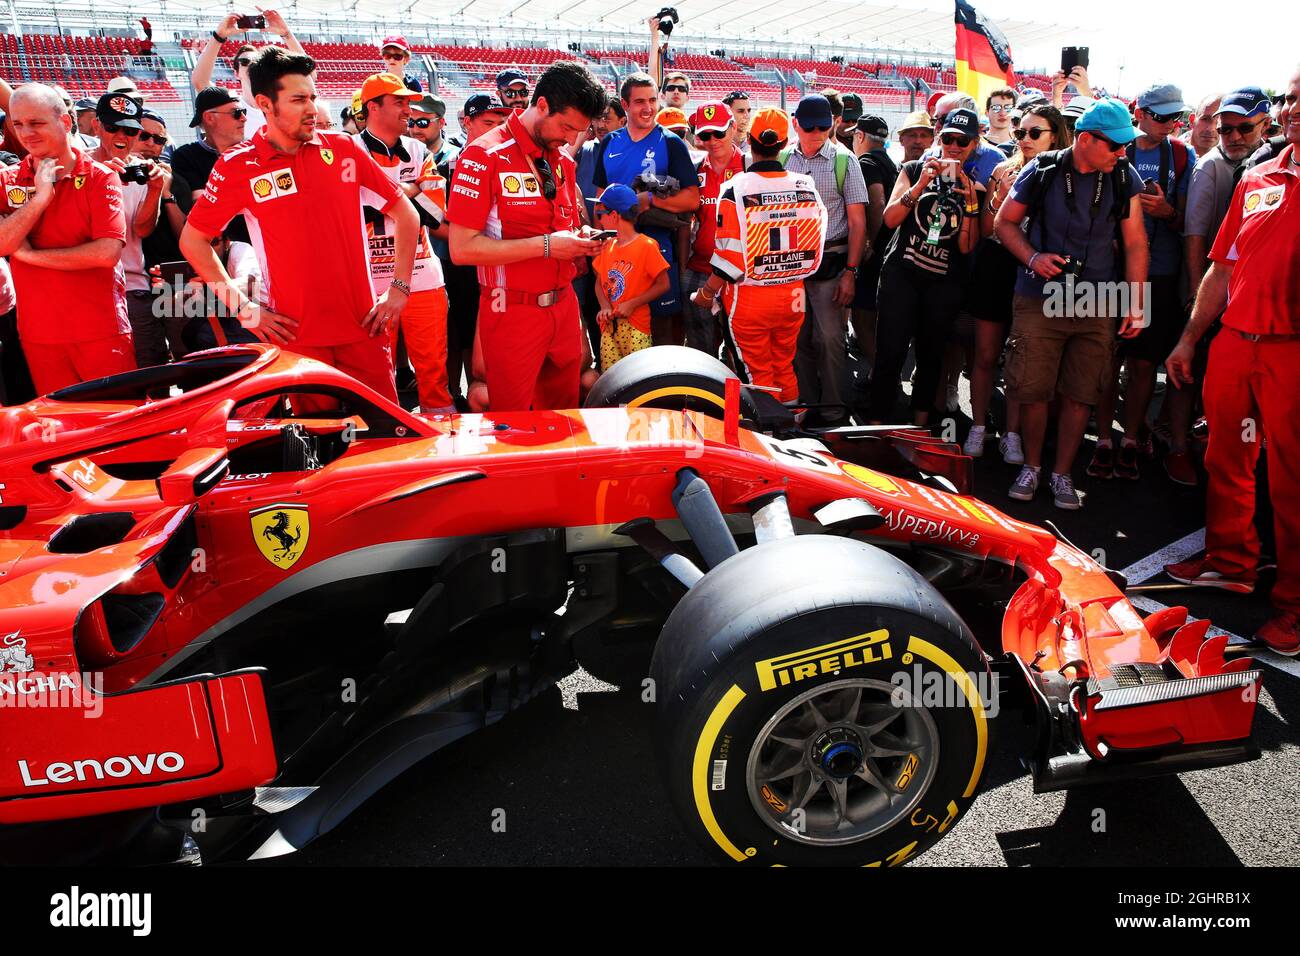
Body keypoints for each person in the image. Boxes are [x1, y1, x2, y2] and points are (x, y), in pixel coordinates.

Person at [181, 46, 417, 404]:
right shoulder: (237, 166)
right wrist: (245, 308)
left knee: (381, 440)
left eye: (313, 97)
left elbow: (406, 213)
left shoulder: (344, 149)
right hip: (298, 336)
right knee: (320, 445)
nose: (310, 108)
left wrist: (399, 288)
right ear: (265, 103)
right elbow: (193, 241)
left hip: (365, 329)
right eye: (298, 99)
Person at [1163, 65, 1300, 655]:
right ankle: (1232, 561)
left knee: (1293, 483)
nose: (1292, 109)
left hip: (1292, 355)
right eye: (1289, 99)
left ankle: (1295, 606)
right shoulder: (1260, 177)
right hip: (1235, 345)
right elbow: (1223, 266)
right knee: (1227, 456)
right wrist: (1191, 338)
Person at [994, 98, 1148, 510]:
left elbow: (1135, 243)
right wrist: (1032, 257)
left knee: (1082, 392)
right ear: (1085, 140)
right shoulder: (1042, 169)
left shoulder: (1122, 176)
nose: (1123, 153)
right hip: (1039, 296)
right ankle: (1033, 466)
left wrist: (1137, 304)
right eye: (1115, 146)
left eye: (1124, 147)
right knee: (1033, 390)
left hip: (1097, 298)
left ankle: (1062, 474)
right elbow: (1003, 222)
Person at [447, 60, 607, 411]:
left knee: (565, 415)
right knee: (514, 425)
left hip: (564, 307)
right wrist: (550, 246)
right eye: (566, 127)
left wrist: (580, 236)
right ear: (543, 104)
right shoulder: (483, 156)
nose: (568, 138)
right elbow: (461, 249)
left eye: (576, 132)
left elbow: (558, 227)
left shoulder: (561, 159)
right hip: (512, 312)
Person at [1090, 82, 1193, 483]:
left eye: (1175, 117)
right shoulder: (1117, 151)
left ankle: (1130, 439)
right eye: (1161, 116)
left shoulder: (1184, 155)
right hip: (1109, 274)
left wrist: (1167, 211)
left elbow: (1191, 224)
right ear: (1141, 113)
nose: (1170, 124)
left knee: (1144, 362)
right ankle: (1101, 439)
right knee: (1104, 360)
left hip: (1159, 275)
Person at [0, 84, 131, 395]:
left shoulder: (101, 176)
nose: (26, 133)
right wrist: (41, 198)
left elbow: (106, 253)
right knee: (63, 430)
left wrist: (31, 256)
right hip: (38, 336)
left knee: (117, 424)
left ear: (65, 122)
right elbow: (4, 245)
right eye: (18, 124)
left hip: (100, 331)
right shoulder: (7, 180)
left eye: (36, 122)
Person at [1171, 86, 1272, 486]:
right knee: (1188, 373)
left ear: (1266, 124)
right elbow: (1196, 236)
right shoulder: (1210, 168)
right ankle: (1180, 449)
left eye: (1243, 128)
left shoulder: (1269, 163)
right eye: (1225, 128)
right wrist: (1197, 295)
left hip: (1246, 302)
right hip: (1210, 294)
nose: (1232, 137)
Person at [690, 107, 826, 401]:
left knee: (755, 375)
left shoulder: (735, 188)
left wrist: (706, 294)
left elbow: (730, 258)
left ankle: (768, 437)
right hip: (794, 294)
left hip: (750, 297)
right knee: (784, 367)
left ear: (748, 141)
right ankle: (792, 428)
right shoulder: (806, 184)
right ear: (783, 143)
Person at [965, 105, 1071, 462]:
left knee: (1020, 360)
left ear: (1054, 135)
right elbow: (986, 230)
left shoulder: (1067, 174)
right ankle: (978, 427)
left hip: (1039, 271)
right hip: (997, 267)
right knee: (985, 353)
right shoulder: (1002, 169)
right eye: (1020, 133)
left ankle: (1012, 434)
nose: (1024, 140)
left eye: (1034, 133)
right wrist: (998, 198)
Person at [868, 109, 984, 426]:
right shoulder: (913, 169)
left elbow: (966, 246)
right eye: (949, 139)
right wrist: (920, 185)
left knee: (931, 357)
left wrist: (971, 204)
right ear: (939, 138)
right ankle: (877, 424)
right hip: (901, 277)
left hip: (943, 286)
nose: (955, 147)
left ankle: (918, 427)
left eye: (963, 141)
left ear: (974, 144)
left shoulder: (976, 188)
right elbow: (890, 220)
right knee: (889, 354)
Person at [354, 73, 452, 414]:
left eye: (409, 102)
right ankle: (383, 442)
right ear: (373, 106)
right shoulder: (348, 150)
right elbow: (351, 211)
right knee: (377, 373)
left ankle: (441, 431)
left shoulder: (416, 148)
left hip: (424, 275)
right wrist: (409, 191)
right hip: (369, 281)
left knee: (433, 370)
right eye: (400, 102)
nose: (408, 110)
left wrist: (381, 198)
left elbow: (434, 210)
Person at [592, 72, 699, 348]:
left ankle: (665, 390)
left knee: (663, 331)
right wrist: (602, 239)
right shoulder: (609, 143)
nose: (649, 108)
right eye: (640, 102)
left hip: (657, 251)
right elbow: (600, 200)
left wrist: (649, 200)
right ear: (624, 105)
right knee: (617, 328)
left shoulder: (670, 142)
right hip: (618, 255)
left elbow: (691, 199)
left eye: (652, 100)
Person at [783, 94, 867, 426]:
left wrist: (851, 272)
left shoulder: (845, 161)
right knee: (797, 338)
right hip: (791, 266)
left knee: (831, 339)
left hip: (832, 260)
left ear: (832, 123)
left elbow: (859, 222)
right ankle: (807, 405)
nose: (817, 132)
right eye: (809, 126)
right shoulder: (782, 158)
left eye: (823, 125)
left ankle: (832, 412)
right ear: (796, 125)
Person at [434, 93, 510, 407]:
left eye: (501, 123)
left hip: (495, 264)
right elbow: (434, 218)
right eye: (488, 123)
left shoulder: (507, 160)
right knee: (455, 333)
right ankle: (453, 396)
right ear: (467, 123)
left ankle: (476, 394)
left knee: (483, 333)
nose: (496, 130)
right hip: (456, 263)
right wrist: (471, 243)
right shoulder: (449, 162)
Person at [88, 91, 171, 368]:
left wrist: (156, 191)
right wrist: (99, 181)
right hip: (87, 291)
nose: (121, 136)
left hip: (132, 288)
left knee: (151, 373)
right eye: (112, 128)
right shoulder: (78, 166)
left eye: (131, 130)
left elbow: (142, 230)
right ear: (96, 126)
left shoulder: (140, 172)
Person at [683, 101, 743, 357]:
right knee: (701, 350)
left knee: (738, 349)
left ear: (732, 128)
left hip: (739, 275)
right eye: (705, 134)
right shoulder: (694, 169)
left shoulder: (749, 165)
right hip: (699, 270)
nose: (713, 140)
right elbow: (686, 221)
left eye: (718, 132)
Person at [192, 9, 306, 140]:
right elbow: (200, 81)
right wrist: (218, 36)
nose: (251, 65)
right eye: (245, 61)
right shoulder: (231, 104)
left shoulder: (279, 104)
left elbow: (308, 75)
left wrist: (287, 34)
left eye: (256, 61)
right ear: (236, 73)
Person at [591, 185, 670, 370]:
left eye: (600, 213)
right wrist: (604, 306)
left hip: (637, 327)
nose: (598, 218)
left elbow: (663, 284)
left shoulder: (646, 245)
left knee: (636, 378)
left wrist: (632, 304)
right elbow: (598, 283)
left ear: (615, 215)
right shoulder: (608, 245)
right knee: (612, 380)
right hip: (610, 328)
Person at [849, 114, 898, 374]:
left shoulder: (867, 162)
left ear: (860, 137)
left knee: (862, 318)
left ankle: (880, 375)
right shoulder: (891, 163)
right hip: (894, 251)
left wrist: (873, 244)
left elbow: (877, 202)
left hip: (878, 253)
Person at [930, 92, 1003, 186]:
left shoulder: (995, 160)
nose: (937, 126)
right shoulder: (928, 157)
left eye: (945, 119)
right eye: (936, 119)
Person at [408, 94, 450, 161]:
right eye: (410, 122)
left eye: (423, 122)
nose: (415, 129)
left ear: (441, 123)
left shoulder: (457, 158)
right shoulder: (400, 159)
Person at [985, 87, 1017, 156]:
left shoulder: (1020, 147)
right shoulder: (977, 146)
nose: (1002, 113)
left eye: (1008, 108)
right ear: (987, 112)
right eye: (996, 108)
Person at [723, 90, 751, 155]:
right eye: (741, 111)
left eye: (749, 111)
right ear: (727, 113)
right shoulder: (716, 144)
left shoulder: (757, 144)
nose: (747, 116)